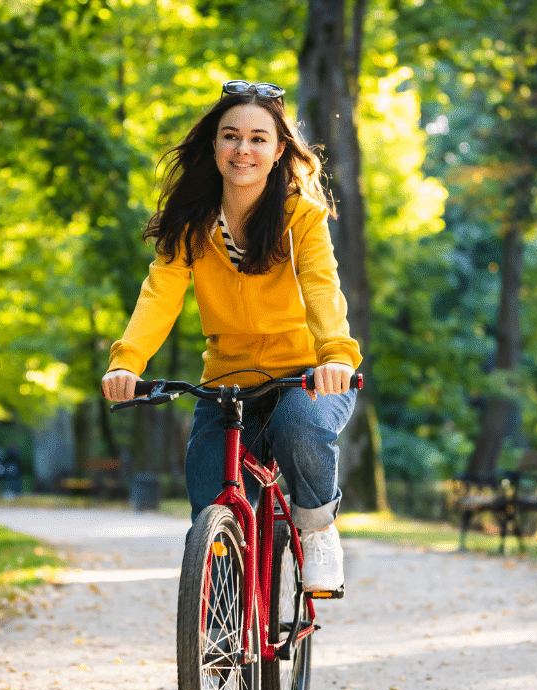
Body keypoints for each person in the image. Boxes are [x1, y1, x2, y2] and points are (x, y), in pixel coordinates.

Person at [101, 80, 360, 594]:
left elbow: (322, 287)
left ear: (279, 149)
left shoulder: (300, 217)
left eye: (259, 138)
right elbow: (160, 294)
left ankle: (316, 528)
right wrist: (126, 362)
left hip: (308, 377)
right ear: (214, 145)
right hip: (228, 381)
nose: (244, 149)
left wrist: (334, 355)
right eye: (231, 136)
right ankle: (219, 624)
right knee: (209, 500)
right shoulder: (190, 223)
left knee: (298, 424)